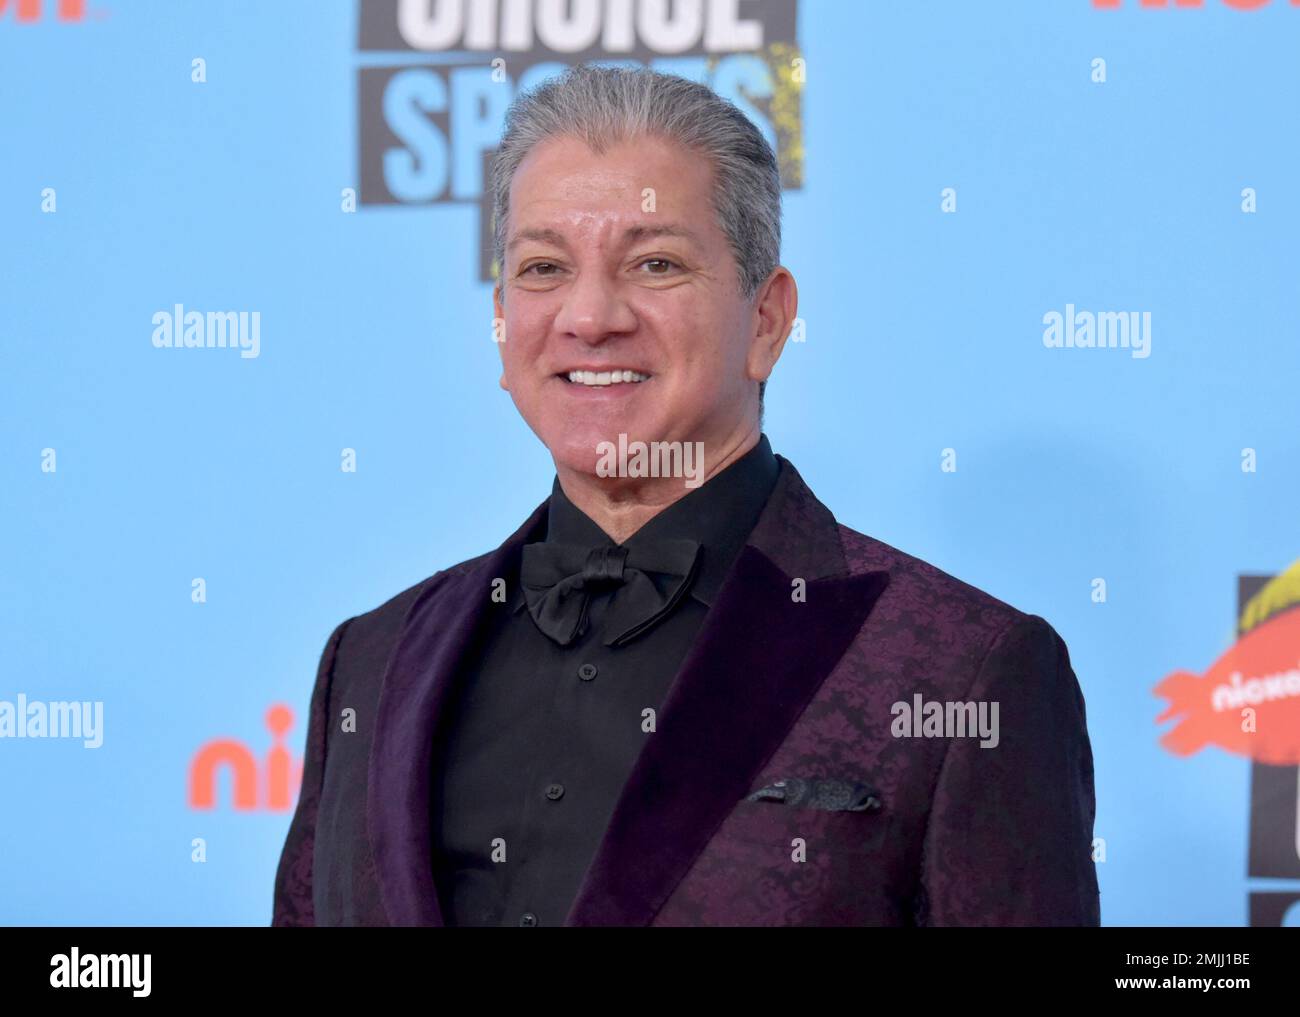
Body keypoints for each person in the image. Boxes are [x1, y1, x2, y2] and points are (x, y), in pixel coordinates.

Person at [272, 64, 1100, 927]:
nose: (590, 316)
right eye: (545, 267)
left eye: (655, 262)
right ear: (503, 316)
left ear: (768, 320)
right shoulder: (366, 662)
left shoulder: (964, 668)